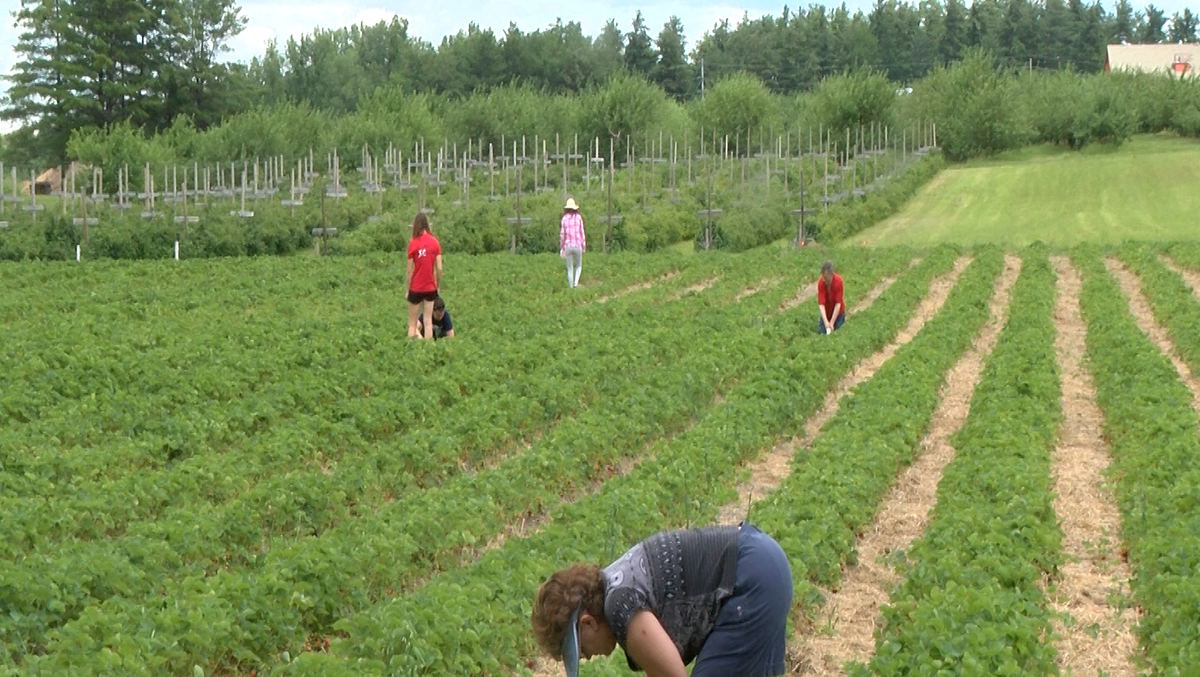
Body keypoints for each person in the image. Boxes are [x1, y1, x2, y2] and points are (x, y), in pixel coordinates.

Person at [532, 522, 792, 677]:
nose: (588, 658)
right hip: (759, 559)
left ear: (588, 622)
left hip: (751, 578)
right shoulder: (614, 581)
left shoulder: (620, 607)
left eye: (583, 651)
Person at [406, 212, 442, 339]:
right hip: (430, 287)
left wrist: (407, 289)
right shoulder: (435, 242)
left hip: (415, 287)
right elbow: (439, 268)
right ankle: (428, 351)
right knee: (428, 321)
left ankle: (411, 348)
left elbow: (409, 271)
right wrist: (437, 285)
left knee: (412, 323)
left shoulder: (413, 243)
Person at [560, 197, 586, 289]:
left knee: (569, 268)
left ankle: (571, 287)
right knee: (578, 266)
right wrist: (583, 245)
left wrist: (562, 247)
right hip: (577, 244)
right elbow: (581, 232)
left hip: (568, 246)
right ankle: (576, 283)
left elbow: (562, 234)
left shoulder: (564, 219)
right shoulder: (578, 218)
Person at [817, 260, 845, 335]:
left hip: (838, 314)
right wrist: (826, 322)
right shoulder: (820, 283)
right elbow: (821, 304)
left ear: (831, 274)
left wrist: (832, 322)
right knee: (821, 334)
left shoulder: (838, 282)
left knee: (838, 335)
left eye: (826, 277)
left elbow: (838, 304)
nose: (824, 279)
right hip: (826, 312)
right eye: (823, 277)